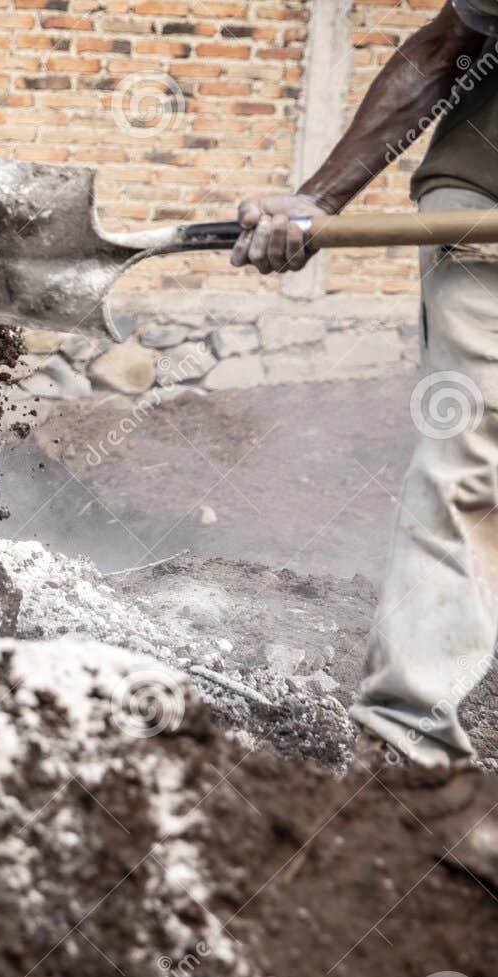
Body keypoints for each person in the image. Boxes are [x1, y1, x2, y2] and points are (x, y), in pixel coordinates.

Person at [236, 0, 498, 775]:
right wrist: (320, 198)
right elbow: (452, 40)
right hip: (489, 201)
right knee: (476, 452)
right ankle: (406, 750)